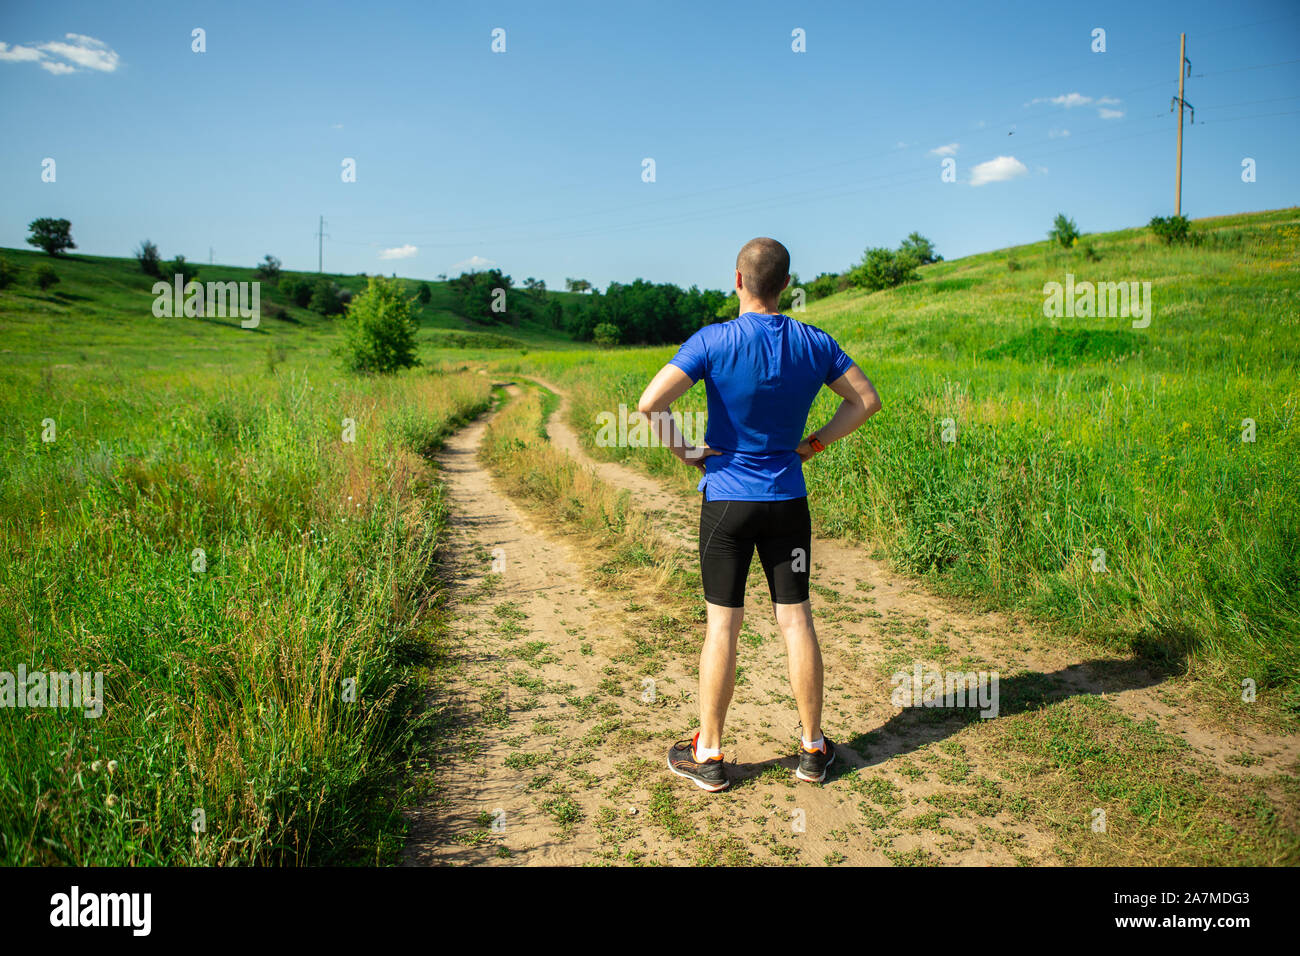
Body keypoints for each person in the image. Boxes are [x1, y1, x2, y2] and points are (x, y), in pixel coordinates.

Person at [636, 237, 882, 792]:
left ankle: (711, 755)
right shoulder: (815, 342)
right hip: (787, 503)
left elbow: (651, 404)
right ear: (785, 285)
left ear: (739, 280)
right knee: (796, 619)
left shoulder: (712, 340)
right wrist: (811, 445)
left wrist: (688, 452)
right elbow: (865, 400)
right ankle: (814, 751)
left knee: (722, 623)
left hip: (725, 501)